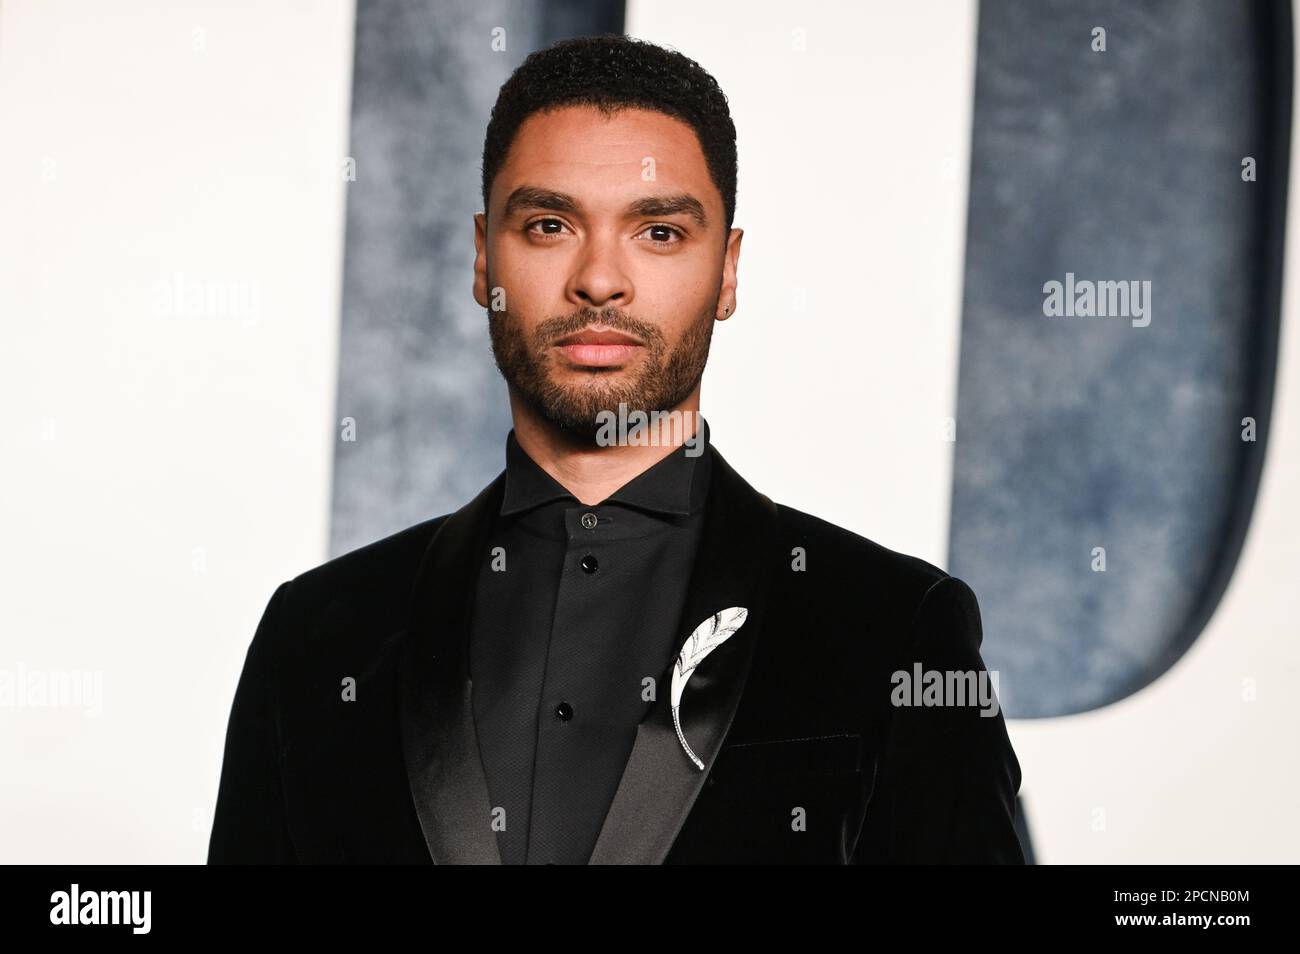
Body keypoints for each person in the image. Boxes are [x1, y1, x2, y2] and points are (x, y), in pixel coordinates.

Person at [208, 33, 1024, 865]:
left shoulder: (892, 627)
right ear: (484, 254)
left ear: (728, 270)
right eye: (551, 224)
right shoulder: (315, 638)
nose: (600, 280)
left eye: (659, 232)